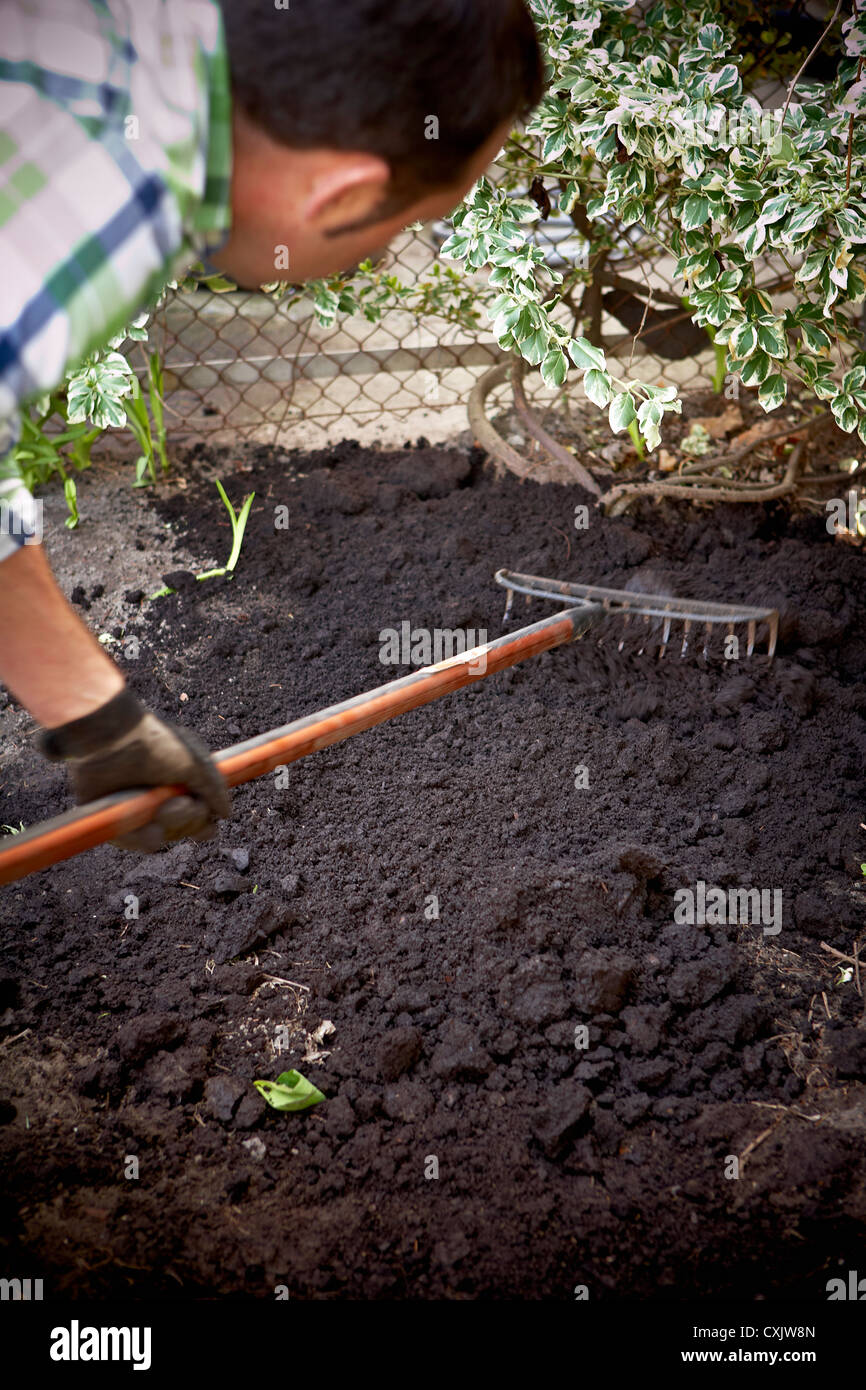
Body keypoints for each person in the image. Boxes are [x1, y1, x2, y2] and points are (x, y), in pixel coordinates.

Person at [0, 0, 542, 852]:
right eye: (410, 226)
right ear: (345, 194)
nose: (391, 249)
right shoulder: (112, 195)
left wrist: (97, 720)